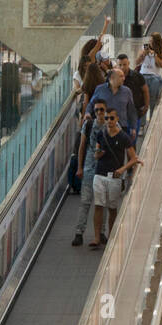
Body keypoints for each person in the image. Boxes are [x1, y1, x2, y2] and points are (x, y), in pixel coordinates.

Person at [90, 108, 141, 248]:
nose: (109, 121)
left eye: (112, 118)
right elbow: (96, 151)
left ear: (117, 119)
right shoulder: (101, 134)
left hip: (114, 176)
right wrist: (98, 154)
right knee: (98, 205)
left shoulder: (124, 137)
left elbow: (134, 158)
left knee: (112, 208)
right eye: (106, 118)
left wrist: (123, 169)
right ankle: (96, 237)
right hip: (99, 174)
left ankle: (111, 236)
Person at [71, 100, 109, 246]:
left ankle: (101, 232)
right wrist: (79, 167)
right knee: (85, 201)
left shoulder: (111, 125)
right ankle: (79, 233)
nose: (99, 112)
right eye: (97, 110)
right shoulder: (88, 125)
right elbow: (81, 146)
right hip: (88, 168)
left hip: (104, 169)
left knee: (102, 202)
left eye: (102, 110)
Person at [88, 69, 138, 141]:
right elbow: (91, 104)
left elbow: (131, 111)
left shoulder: (127, 91)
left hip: (122, 127)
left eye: (123, 76)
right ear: (112, 78)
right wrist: (87, 113)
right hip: (104, 126)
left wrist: (133, 128)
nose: (123, 78)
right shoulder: (100, 89)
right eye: (121, 76)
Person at [114, 53, 149, 139]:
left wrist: (146, 106)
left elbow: (145, 90)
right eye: (120, 65)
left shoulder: (137, 76)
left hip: (134, 113)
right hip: (119, 115)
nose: (122, 67)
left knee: (132, 140)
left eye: (124, 64)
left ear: (128, 63)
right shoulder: (113, 78)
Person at [138, 33, 162, 109]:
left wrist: (155, 55)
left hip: (154, 77)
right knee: (142, 101)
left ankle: (152, 119)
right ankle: (143, 118)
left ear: (157, 42)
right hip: (143, 75)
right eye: (150, 41)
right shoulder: (144, 49)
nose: (150, 43)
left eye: (152, 41)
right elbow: (137, 62)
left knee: (153, 100)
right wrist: (143, 55)